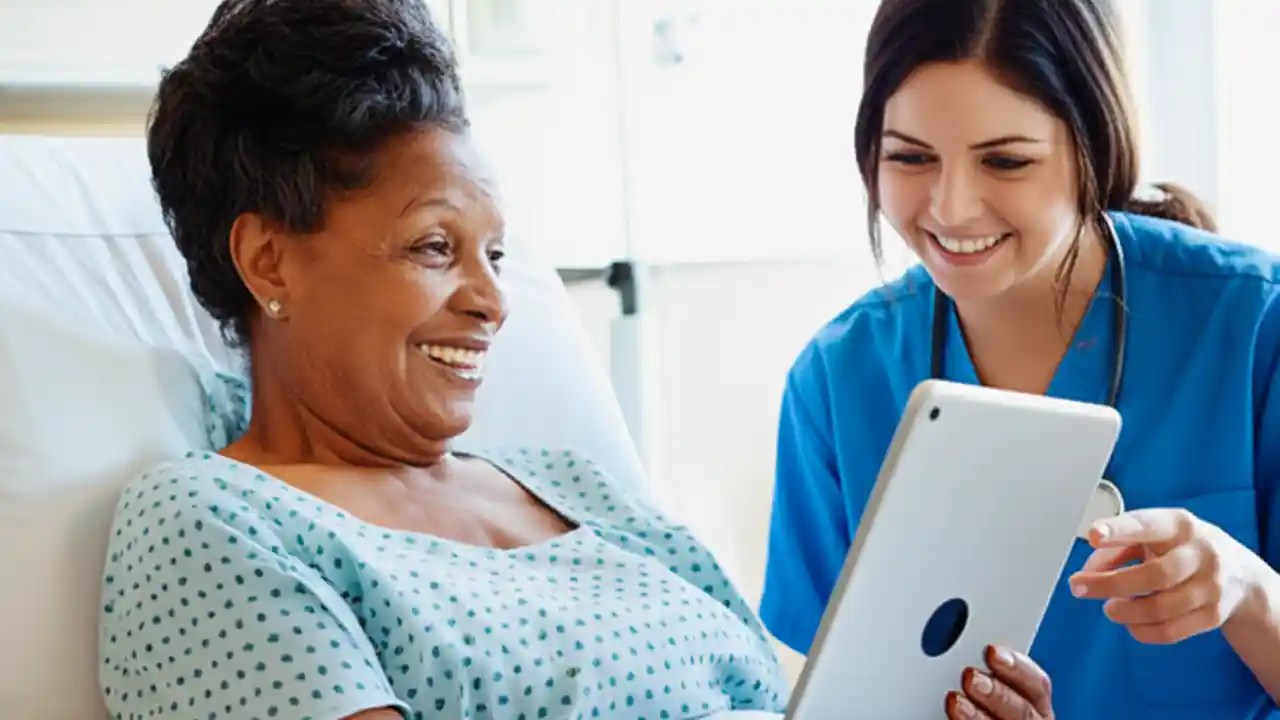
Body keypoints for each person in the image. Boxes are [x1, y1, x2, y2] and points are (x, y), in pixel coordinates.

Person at [96, 1, 789, 718]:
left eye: (495, 255)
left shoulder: (579, 488)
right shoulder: (212, 524)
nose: (493, 301)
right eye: (434, 247)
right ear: (270, 264)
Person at [760, 0, 1280, 718]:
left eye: (1005, 161)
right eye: (910, 157)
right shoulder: (837, 383)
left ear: (1093, 145)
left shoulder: (1254, 326)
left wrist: (1248, 591)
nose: (952, 207)